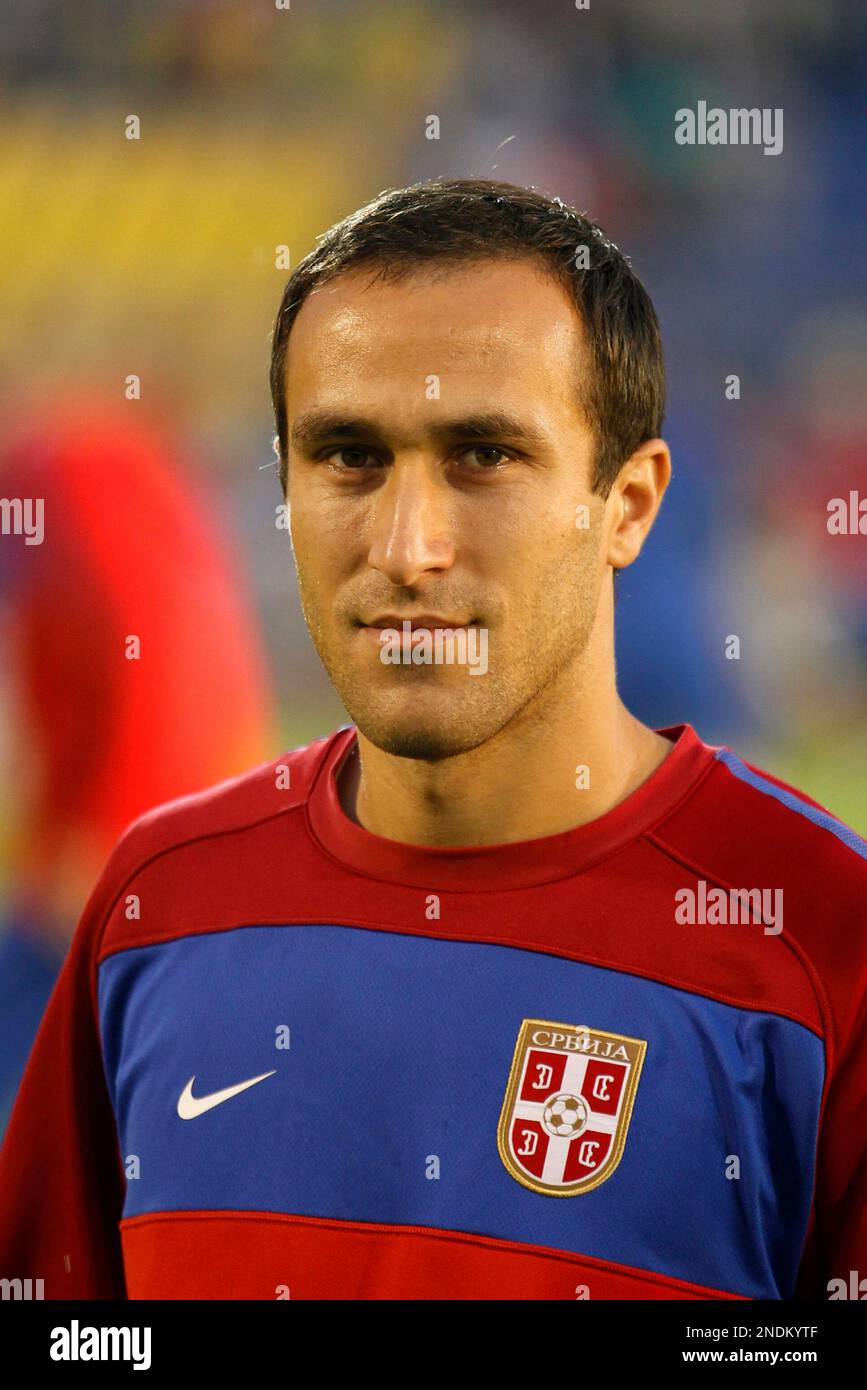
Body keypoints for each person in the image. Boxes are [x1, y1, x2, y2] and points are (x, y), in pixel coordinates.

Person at [1, 179, 864, 1301]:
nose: (407, 545)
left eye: (485, 457)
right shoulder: (157, 906)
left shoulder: (823, 937)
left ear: (631, 503)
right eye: (349, 456)